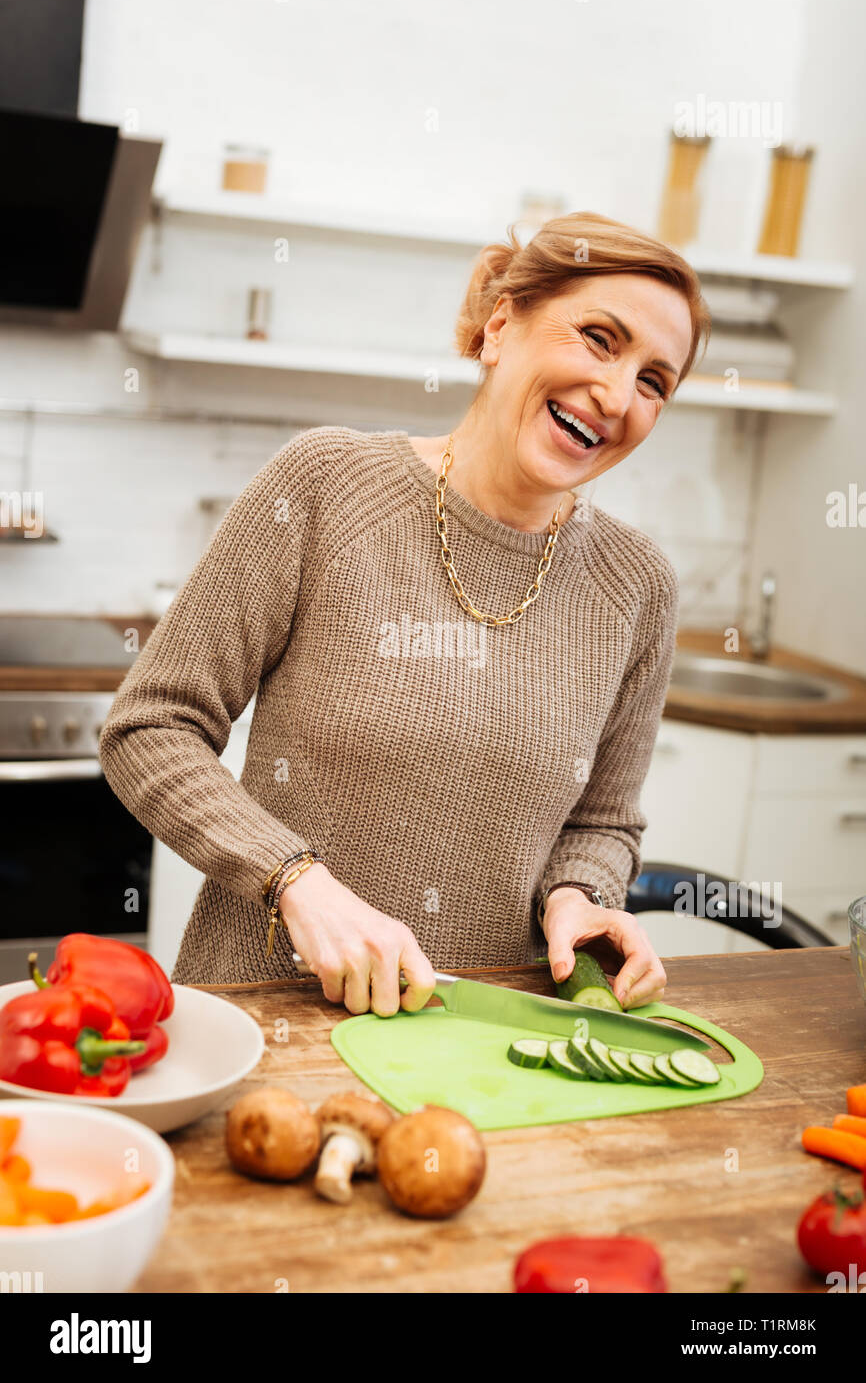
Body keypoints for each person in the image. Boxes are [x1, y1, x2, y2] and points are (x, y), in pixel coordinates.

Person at [99, 210, 710, 1018]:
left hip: (488, 1034)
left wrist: (578, 897)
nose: (616, 393)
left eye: (654, 381)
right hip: (269, 1011)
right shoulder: (325, 487)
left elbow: (602, 822)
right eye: (600, 338)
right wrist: (295, 882)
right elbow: (150, 727)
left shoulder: (636, 585)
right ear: (501, 327)